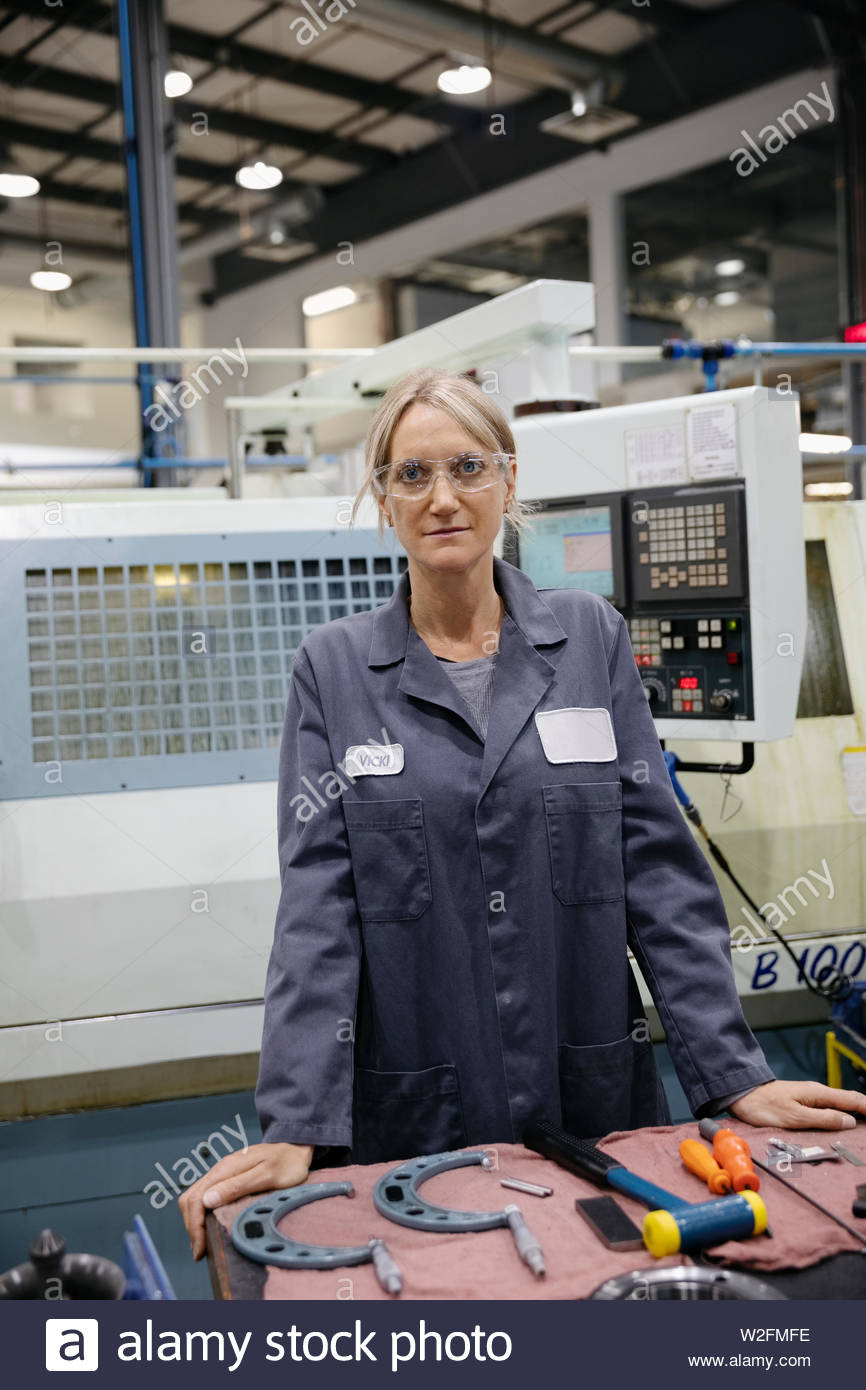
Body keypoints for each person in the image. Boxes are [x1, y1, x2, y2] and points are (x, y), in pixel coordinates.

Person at [181, 367, 865, 1259]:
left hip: (589, 1088)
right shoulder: (335, 668)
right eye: (412, 475)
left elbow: (657, 875)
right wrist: (296, 1119)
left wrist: (735, 1078)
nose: (442, 498)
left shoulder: (589, 639)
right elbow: (319, 911)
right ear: (382, 499)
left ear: (508, 481)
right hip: (417, 1107)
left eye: (468, 467)